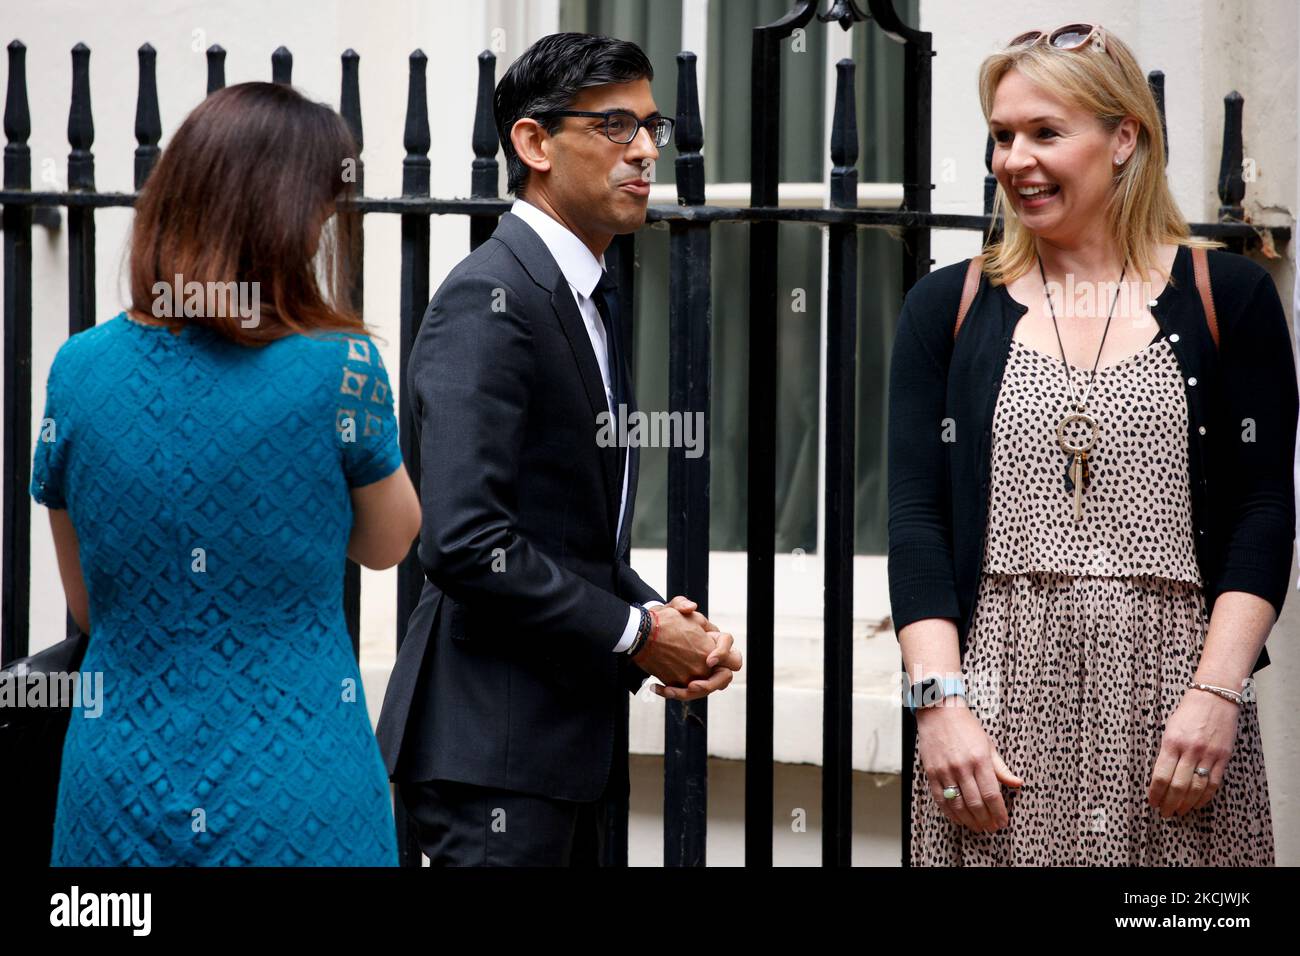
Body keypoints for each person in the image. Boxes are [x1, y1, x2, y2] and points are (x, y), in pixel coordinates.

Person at [888, 23, 1296, 866]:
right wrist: (938, 707)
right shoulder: (945, 307)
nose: (1013, 160)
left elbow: (1263, 509)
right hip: (995, 700)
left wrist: (1218, 694)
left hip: (1176, 700)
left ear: (1122, 139)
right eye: (1001, 136)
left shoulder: (1232, 298)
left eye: (1045, 132)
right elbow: (915, 519)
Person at [31, 81, 421, 865]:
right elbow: (387, 543)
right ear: (281, 212)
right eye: (318, 201)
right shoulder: (339, 366)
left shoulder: (79, 369)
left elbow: (86, 604)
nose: (321, 224)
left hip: (117, 790)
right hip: (299, 786)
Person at [376, 32, 742, 866]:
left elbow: (561, 535)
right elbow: (467, 543)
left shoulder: (581, 292)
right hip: (493, 751)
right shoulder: (488, 299)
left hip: (559, 747)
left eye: (653, 126)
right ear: (534, 144)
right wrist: (637, 634)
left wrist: (657, 617)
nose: (646, 150)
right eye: (615, 126)